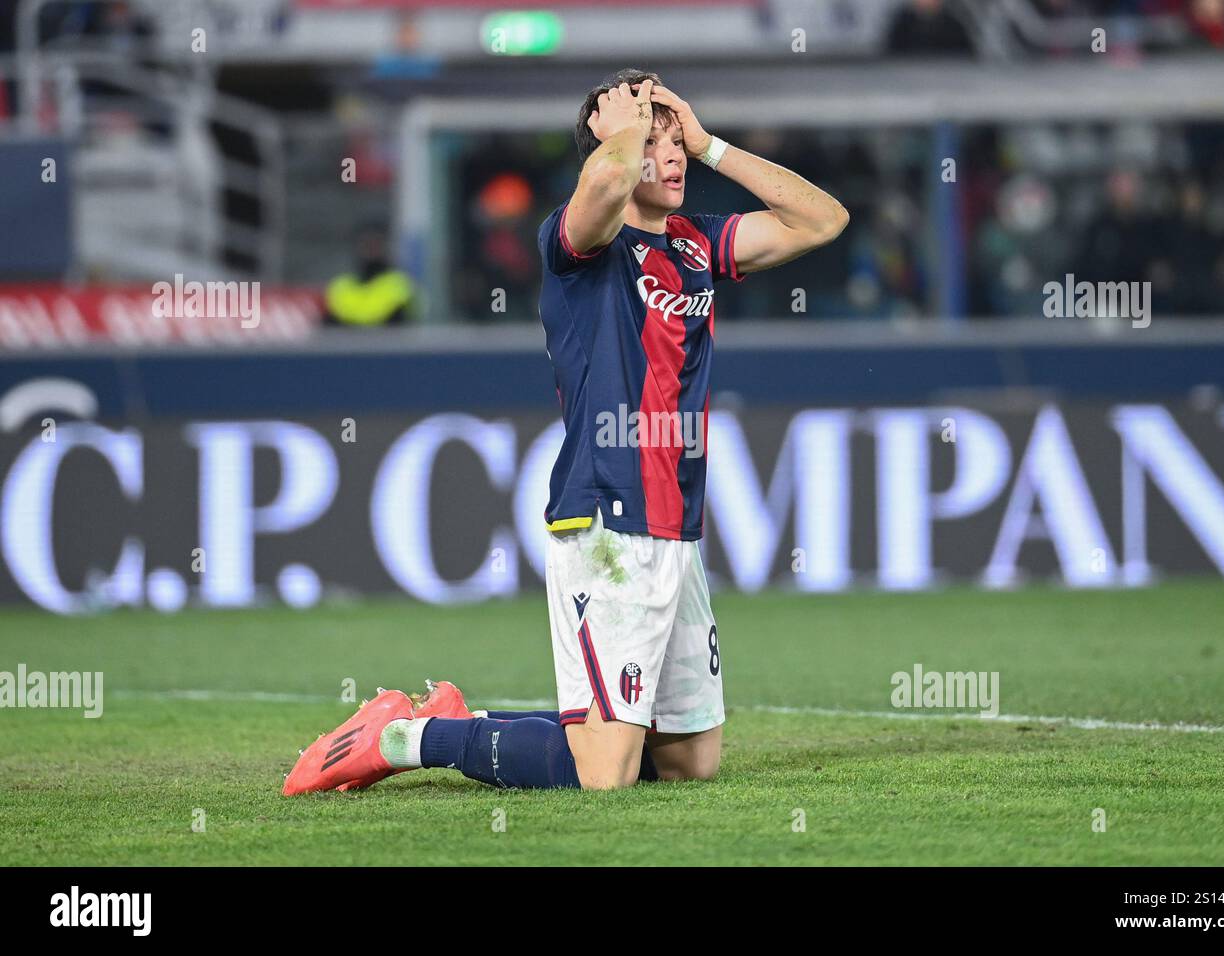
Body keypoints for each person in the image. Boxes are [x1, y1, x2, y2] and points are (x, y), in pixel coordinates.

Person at [283, 69, 848, 794]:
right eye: (656, 141)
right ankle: (402, 737)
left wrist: (709, 145)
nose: (669, 156)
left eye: (675, 142)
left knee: (688, 763)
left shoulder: (696, 244)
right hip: (609, 518)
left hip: (677, 526)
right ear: (614, 146)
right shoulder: (577, 242)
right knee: (604, 776)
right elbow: (605, 190)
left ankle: (469, 717)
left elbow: (821, 220)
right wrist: (623, 132)